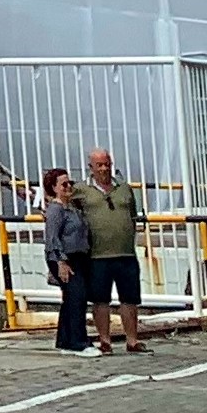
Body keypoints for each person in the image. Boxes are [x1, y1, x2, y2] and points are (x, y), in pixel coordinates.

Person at [70, 148, 147, 354]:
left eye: (107, 164)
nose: (104, 169)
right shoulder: (81, 190)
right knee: (100, 300)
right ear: (91, 168)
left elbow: (132, 214)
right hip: (97, 255)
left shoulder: (124, 188)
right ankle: (105, 341)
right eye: (99, 165)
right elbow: (66, 208)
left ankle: (132, 340)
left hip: (126, 253)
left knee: (130, 299)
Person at [40, 166, 94, 352]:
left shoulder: (71, 208)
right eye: (63, 184)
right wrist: (61, 262)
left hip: (79, 257)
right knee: (76, 297)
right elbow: (53, 238)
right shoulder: (55, 210)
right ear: (54, 188)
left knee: (72, 298)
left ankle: (64, 339)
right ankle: (77, 341)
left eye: (69, 183)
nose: (68, 187)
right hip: (65, 257)